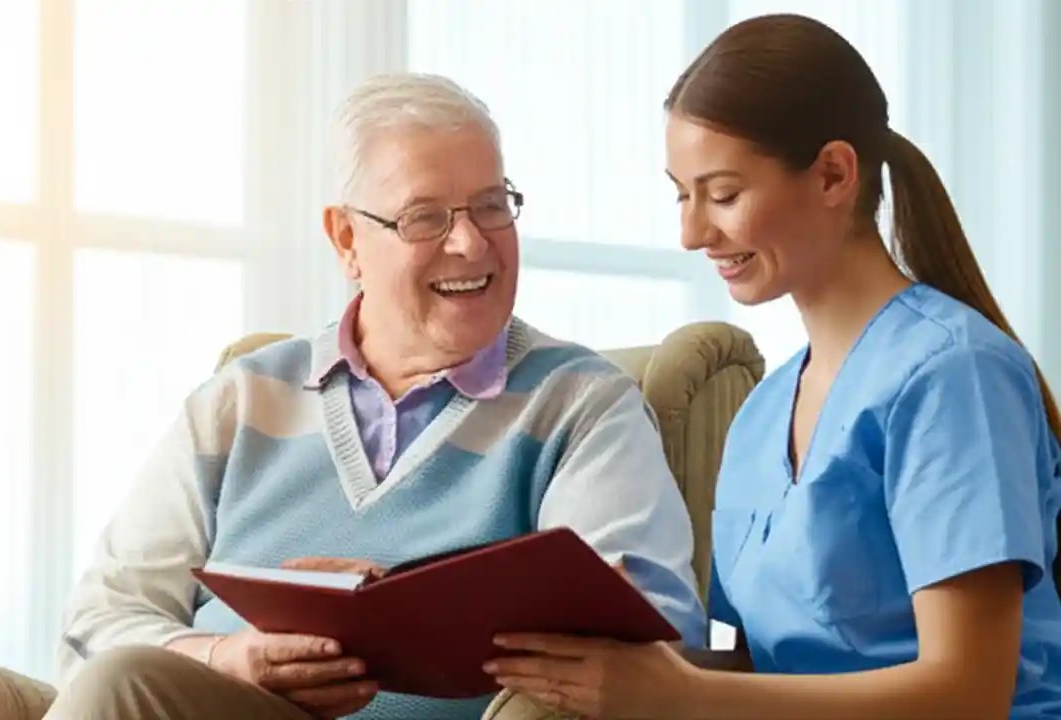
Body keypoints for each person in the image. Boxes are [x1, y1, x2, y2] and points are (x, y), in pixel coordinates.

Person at [44, 72, 704, 720]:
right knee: (116, 681)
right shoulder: (241, 401)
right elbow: (96, 624)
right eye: (425, 217)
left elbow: (652, 632)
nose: (470, 242)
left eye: (490, 206)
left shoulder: (582, 404)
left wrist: (414, 615)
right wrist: (227, 658)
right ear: (346, 240)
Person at [483, 13, 1061, 719]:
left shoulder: (953, 375)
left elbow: (969, 693)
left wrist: (685, 695)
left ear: (833, 174)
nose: (692, 233)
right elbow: (762, 671)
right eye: (682, 194)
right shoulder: (761, 414)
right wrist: (607, 661)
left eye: (723, 194)